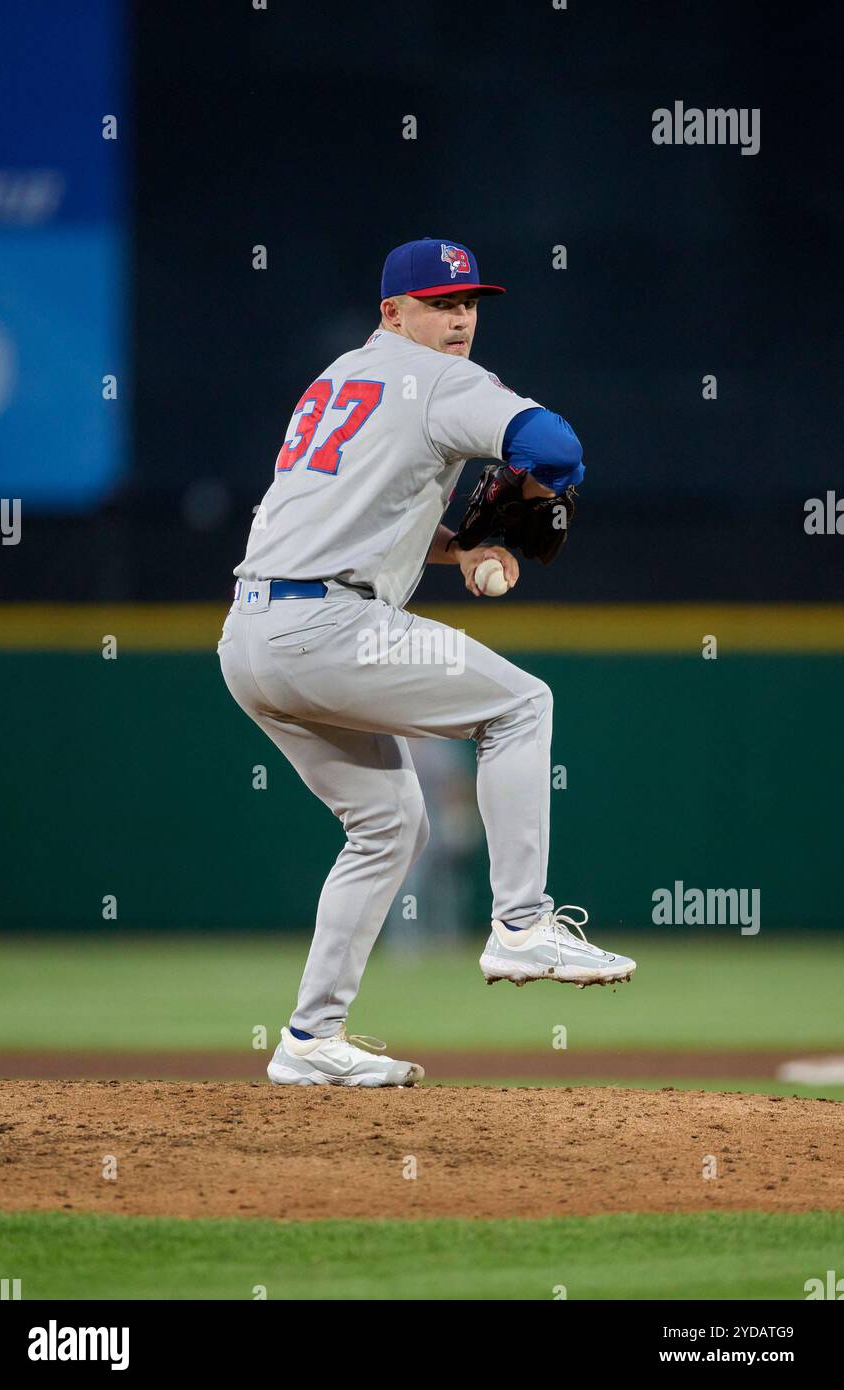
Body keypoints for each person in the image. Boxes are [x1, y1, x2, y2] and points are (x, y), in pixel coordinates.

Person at [218, 237, 636, 1088]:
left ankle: (308, 1040)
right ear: (393, 313)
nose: (460, 319)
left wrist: (465, 545)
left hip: (252, 635)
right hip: (329, 628)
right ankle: (521, 923)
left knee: (386, 825)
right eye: (441, 303)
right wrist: (527, 499)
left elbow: (355, 516)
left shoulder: (337, 378)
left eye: (470, 303)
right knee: (520, 705)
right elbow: (555, 446)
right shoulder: (444, 381)